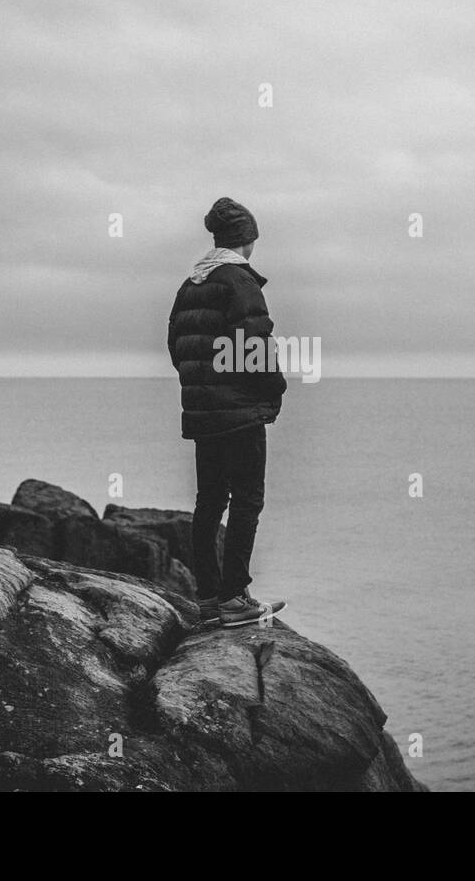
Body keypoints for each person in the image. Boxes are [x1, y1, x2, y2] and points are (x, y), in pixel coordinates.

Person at [167, 197, 288, 627]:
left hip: (202, 413)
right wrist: (276, 389)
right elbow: (255, 348)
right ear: (247, 240)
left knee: (210, 501)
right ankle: (235, 597)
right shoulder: (240, 282)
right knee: (247, 501)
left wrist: (202, 387)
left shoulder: (190, 285)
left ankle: (208, 599)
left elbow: (177, 349)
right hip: (239, 413)